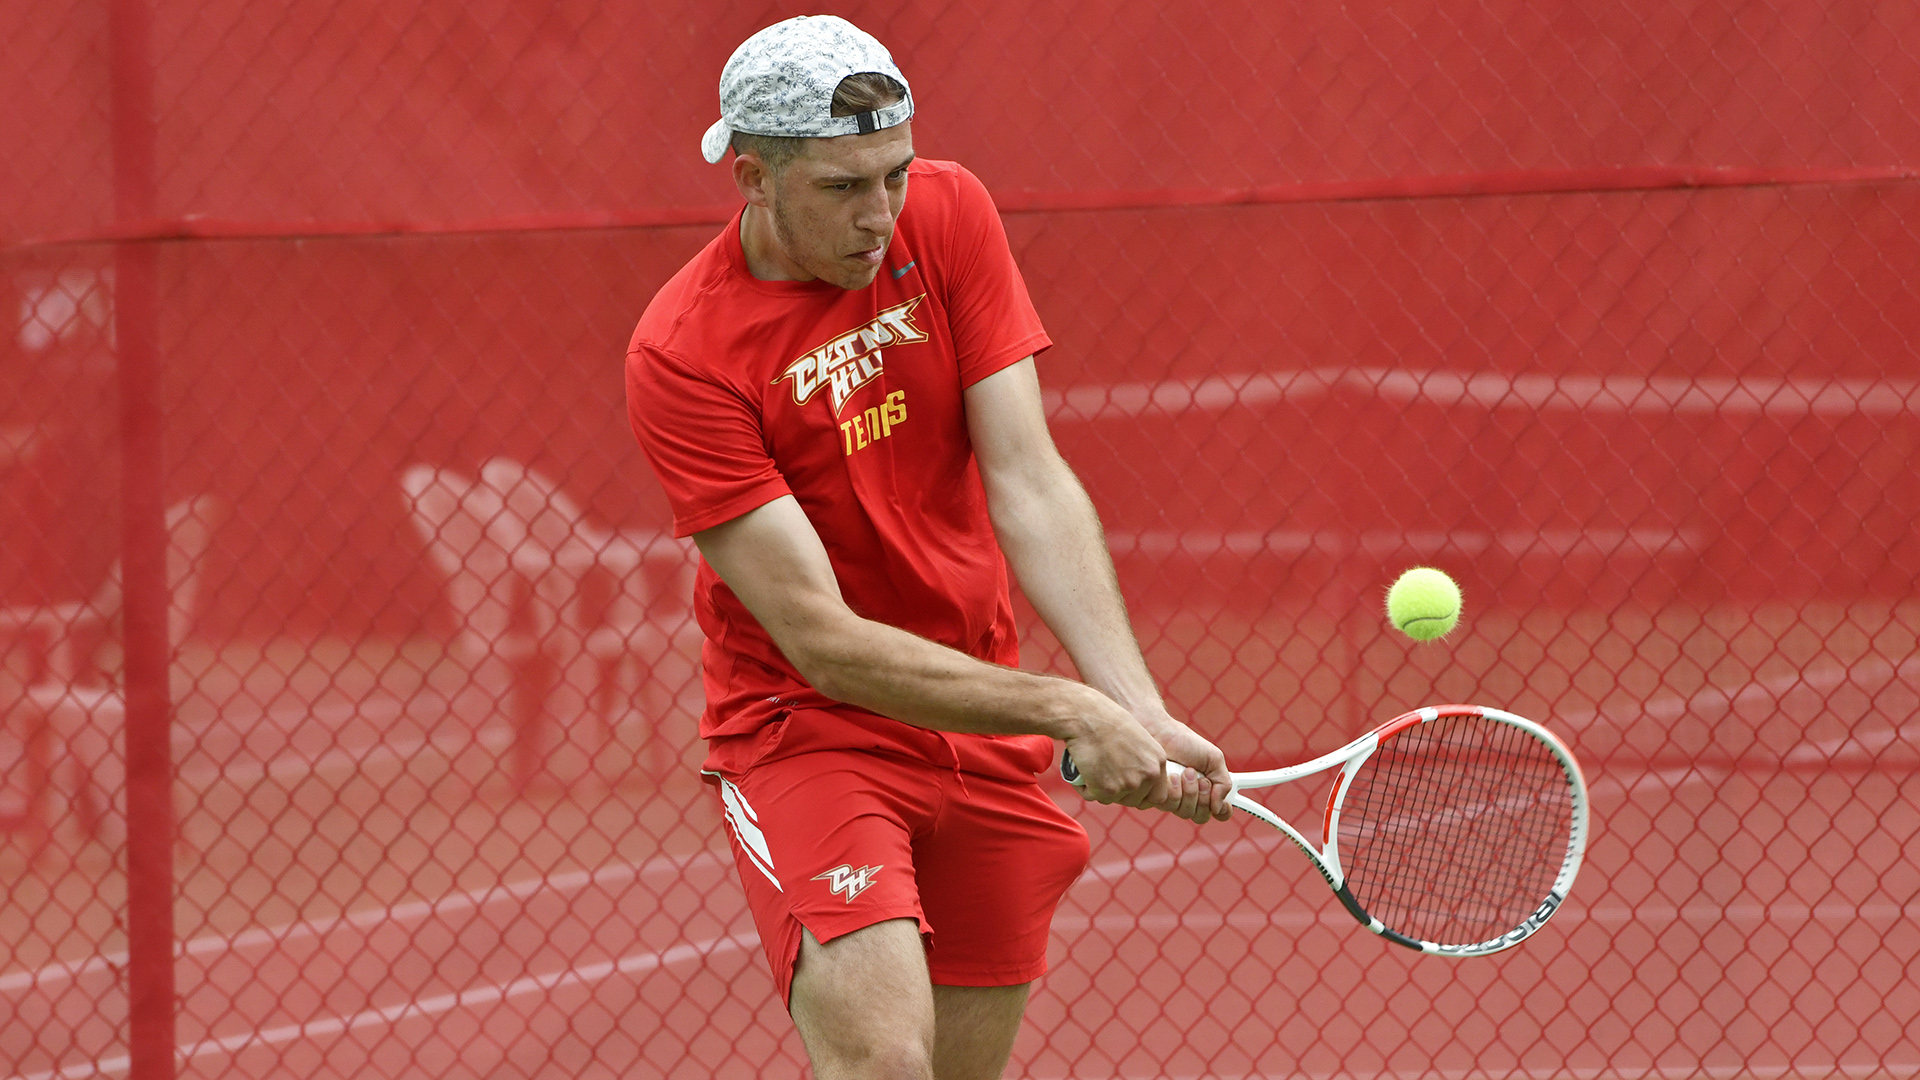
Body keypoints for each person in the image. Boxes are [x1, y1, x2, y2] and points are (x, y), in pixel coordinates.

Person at [625, 16, 1232, 1080]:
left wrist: (1130, 701)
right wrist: (1070, 710)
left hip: (977, 710)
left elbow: (1028, 478)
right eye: (841, 188)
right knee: (885, 1065)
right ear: (754, 178)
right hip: (812, 729)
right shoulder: (683, 353)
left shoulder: (947, 213)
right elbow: (822, 642)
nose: (879, 216)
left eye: (892, 175)